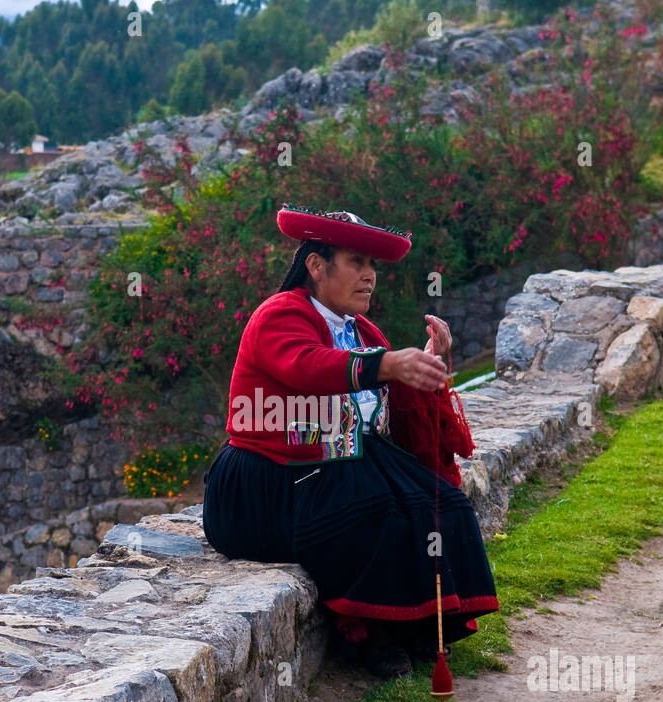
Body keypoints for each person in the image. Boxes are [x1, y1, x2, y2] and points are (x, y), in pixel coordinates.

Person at [201, 204, 499, 678]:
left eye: (372, 265)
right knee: (370, 508)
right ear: (316, 266)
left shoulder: (362, 332)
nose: (369, 276)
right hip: (266, 481)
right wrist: (386, 365)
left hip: (335, 463)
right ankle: (367, 634)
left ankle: (421, 623)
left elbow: (384, 415)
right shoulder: (279, 316)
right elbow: (309, 367)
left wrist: (423, 367)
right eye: (356, 262)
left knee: (440, 504)